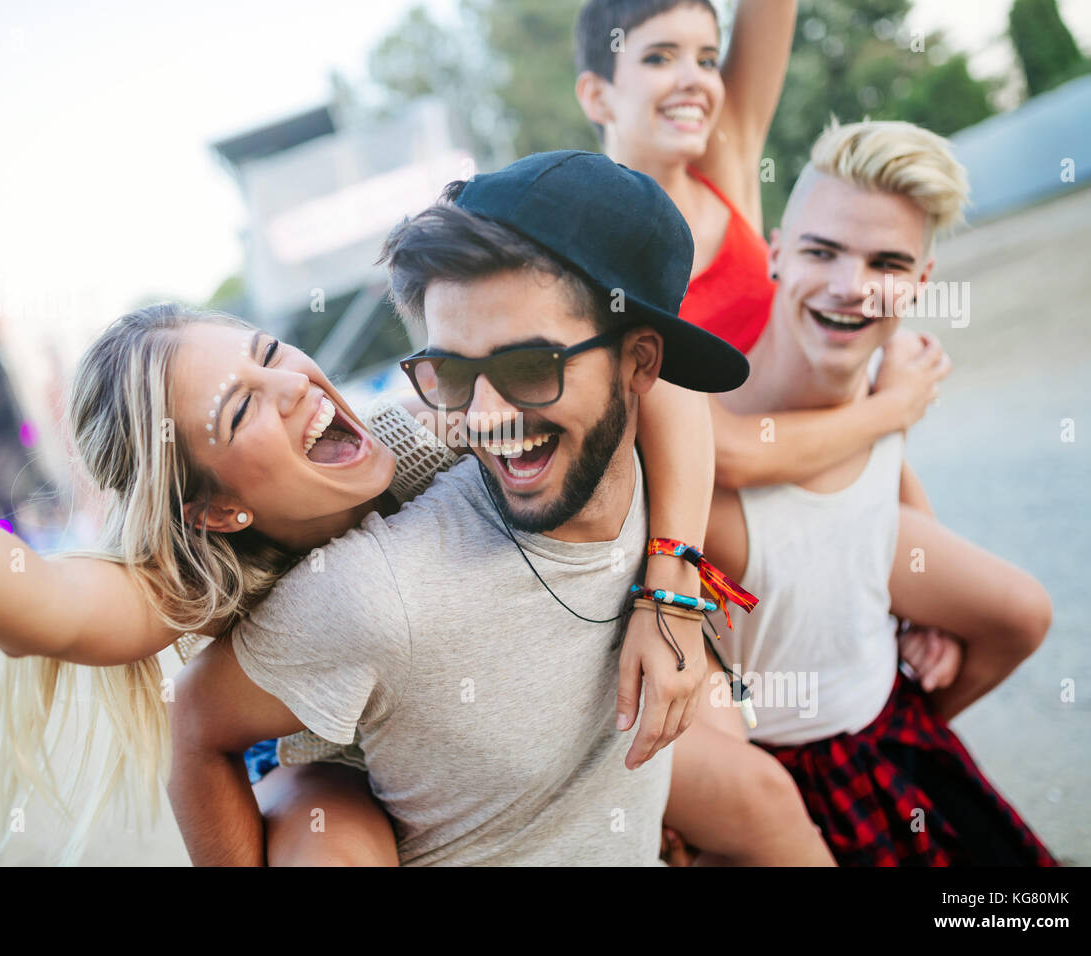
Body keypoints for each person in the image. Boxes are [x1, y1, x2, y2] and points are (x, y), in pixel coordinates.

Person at [0, 196, 729, 863]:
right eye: (242, 408)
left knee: (753, 794)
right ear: (217, 506)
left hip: (480, 762)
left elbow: (660, 384)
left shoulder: (426, 429)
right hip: (325, 768)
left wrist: (672, 578)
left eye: (267, 354)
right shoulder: (209, 574)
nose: (290, 383)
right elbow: (47, 609)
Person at [167, 150, 753, 866]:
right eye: (451, 370)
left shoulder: (417, 436)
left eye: (530, 366)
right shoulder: (375, 588)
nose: (484, 418)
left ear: (640, 364)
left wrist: (674, 581)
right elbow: (186, 717)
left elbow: (680, 396)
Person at [698, 119, 1056, 865]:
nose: (850, 287)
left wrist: (914, 607)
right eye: (821, 251)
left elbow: (883, 475)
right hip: (775, 773)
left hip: (888, 729)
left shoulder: (889, 366)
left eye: (886, 263)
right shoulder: (705, 413)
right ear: (776, 253)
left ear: (921, 283)